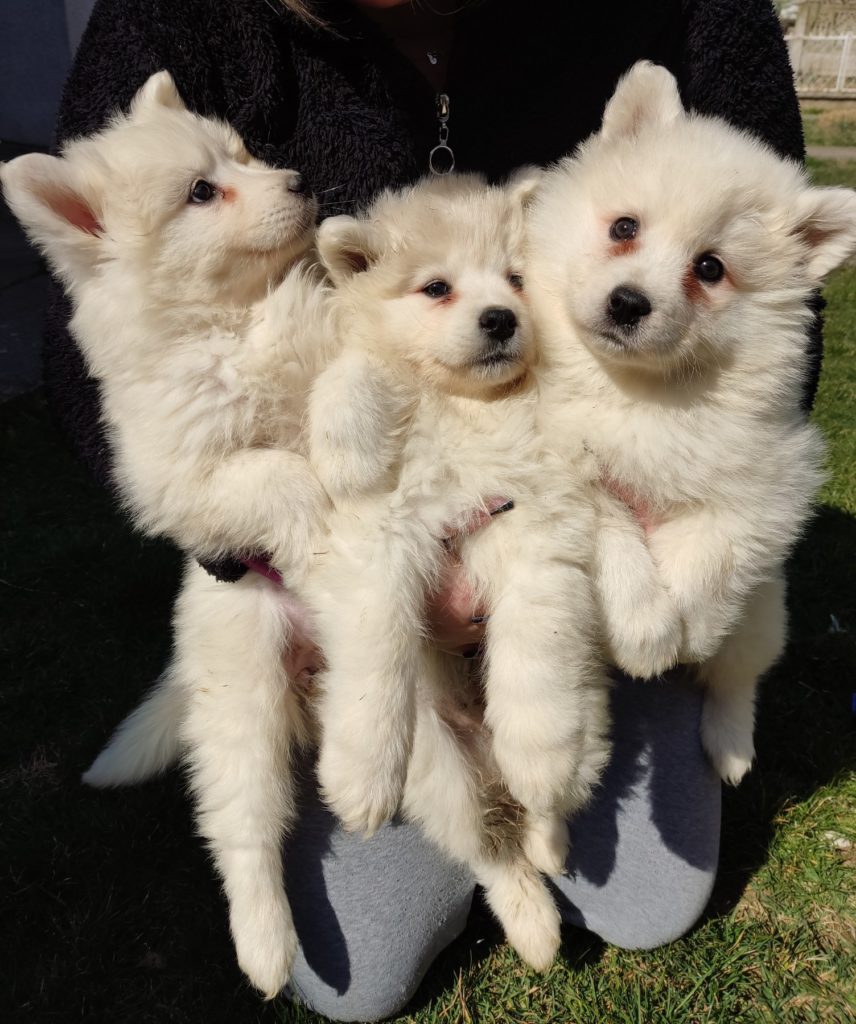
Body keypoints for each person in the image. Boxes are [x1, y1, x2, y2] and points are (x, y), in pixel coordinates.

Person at [46, 1, 813, 1019]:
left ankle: (538, 782)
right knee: (359, 963)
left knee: (648, 897)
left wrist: (624, 550)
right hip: (330, 590)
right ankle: (436, 845)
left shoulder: (689, 25)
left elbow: (769, 320)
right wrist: (280, 552)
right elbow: (103, 367)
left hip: (550, 522)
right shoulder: (177, 27)